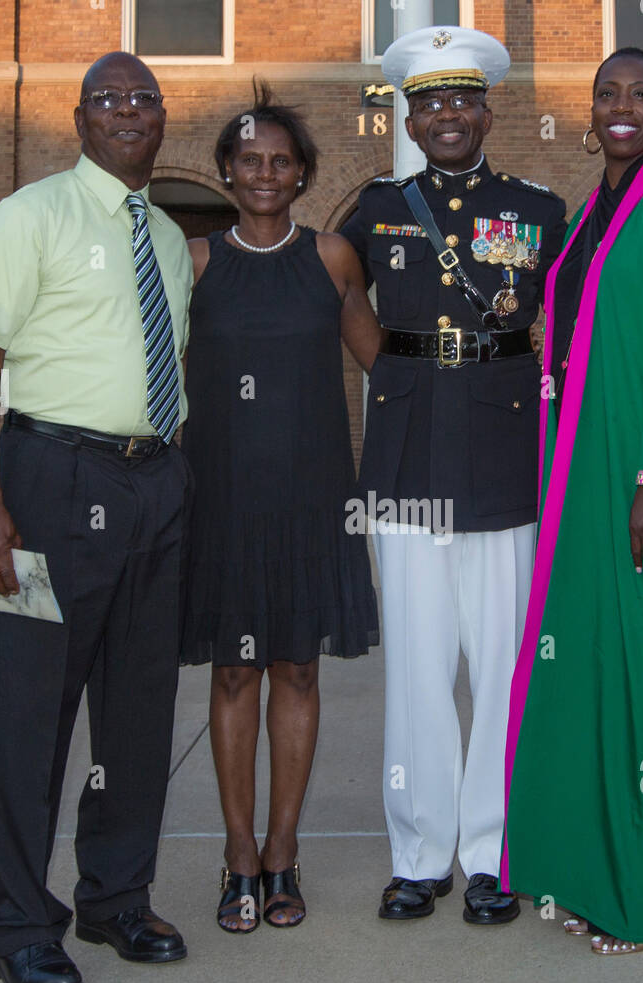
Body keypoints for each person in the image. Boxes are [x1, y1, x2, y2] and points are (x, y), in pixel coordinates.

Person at [0, 52, 191, 983]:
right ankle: (19, 924)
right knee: (35, 714)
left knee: (137, 713)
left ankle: (116, 896)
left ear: (162, 118)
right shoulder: (30, 215)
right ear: (80, 118)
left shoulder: (168, 234)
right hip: (51, 479)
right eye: (110, 100)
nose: (129, 112)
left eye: (145, 99)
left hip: (156, 482)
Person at [341, 26, 567, 925]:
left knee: (503, 661)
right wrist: (388, 372)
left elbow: (574, 316)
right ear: (408, 113)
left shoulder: (539, 209)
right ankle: (419, 853)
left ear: (486, 108)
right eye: (429, 101)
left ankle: (490, 852)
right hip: (406, 453)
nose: (446, 115)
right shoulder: (375, 205)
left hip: (503, 446)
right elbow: (335, 290)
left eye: (462, 99)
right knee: (419, 664)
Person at [501, 47, 643, 955]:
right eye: (607, 93)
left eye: (641, 94)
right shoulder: (591, 209)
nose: (621, 106)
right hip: (579, 474)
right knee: (593, 671)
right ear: (588, 111)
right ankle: (593, 872)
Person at [180, 84, 381, 933]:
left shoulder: (333, 258)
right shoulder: (192, 259)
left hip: (312, 500)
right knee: (235, 673)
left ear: (302, 174)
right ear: (227, 170)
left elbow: (385, 365)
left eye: (282, 162)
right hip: (219, 498)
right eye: (250, 160)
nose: (266, 173)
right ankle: (235, 855)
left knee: (299, 668)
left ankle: (283, 851)